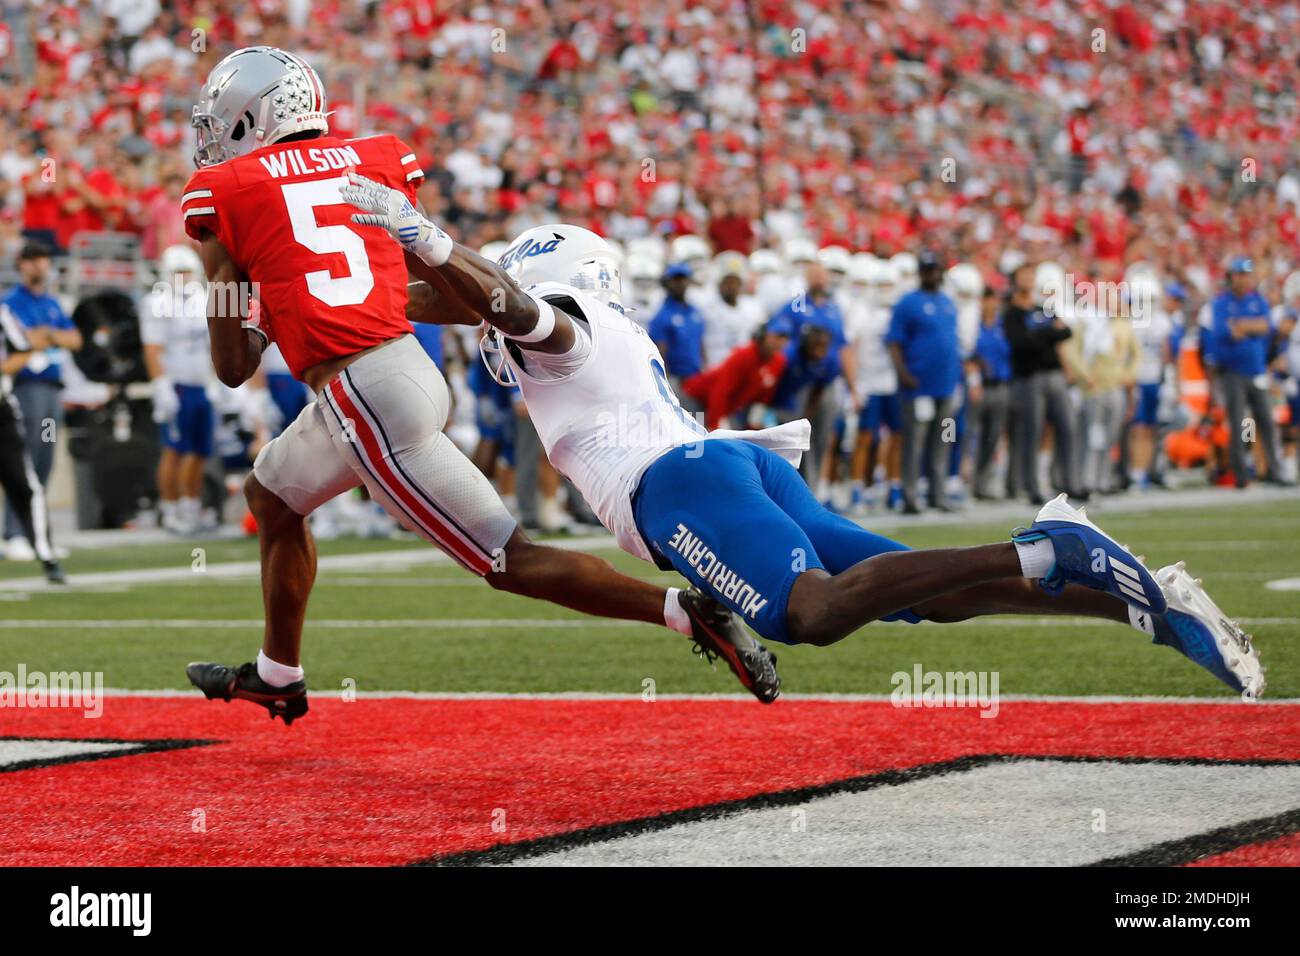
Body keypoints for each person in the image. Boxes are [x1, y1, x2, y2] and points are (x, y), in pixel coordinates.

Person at [348, 182, 1266, 701]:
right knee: (927, 602)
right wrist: (341, 278)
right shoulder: (599, 322)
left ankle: (1050, 548)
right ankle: (1138, 601)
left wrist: (423, 237)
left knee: (813, 614)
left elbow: (502, 304)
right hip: (726, 465)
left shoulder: (565, 324)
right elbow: (458, 299)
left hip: (680, 482)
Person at [178, 47, 779, 722]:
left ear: (252, 116)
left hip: (361, 397)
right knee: (272, 495)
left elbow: (234, 367)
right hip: (404, 373)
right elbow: (455, 292)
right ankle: (277, 673)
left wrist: (235, 292)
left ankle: (685, 613)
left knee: (508, 560)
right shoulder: (374, 157)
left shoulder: (224, 194)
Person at [1, 241, 81, 557]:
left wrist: (44, 335)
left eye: (43, 260)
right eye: (32, 260)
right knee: (24, 460)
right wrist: (48, 336)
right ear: (21, 265)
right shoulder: (11, 302)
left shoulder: (51, 303)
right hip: (25, 387)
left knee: (44, 459)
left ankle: (37, 533)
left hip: (51, 389)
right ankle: (14, 532)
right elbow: (23, 340)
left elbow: (74, 339)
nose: (39, 266)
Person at [141, 244, 215, 535]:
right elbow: (152, 348)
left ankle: (191, 507)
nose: (183, 277)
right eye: (178, 272)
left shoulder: (207, 298)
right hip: (177, 385)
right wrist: (161, 386)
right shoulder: (156, 301)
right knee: (175, 449)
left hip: (201, 384)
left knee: (199, 450)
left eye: (187, 271)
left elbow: (214, 344)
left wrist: (218, 383)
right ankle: (171, 509)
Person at [886, 250, 961, 514]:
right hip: (917, 384)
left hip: (946, 384)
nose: (933, 274)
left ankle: (937, 494)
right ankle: (909, 495)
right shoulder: (907, 302)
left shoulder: (948, 302)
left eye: (936, 269)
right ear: (920, 273)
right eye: (928, 270)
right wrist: (903, 373)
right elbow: (894, 342)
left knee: (942, 440)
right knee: (914, 441)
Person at [1004, 262, 1082, 503]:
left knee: (1067, 427)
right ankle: (1032, 486)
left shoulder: (1041, 309)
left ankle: (1071, 482)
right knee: (1032, 431)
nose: (1029, 279)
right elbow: (1020, 343)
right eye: (1024, 275)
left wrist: (1040, 334)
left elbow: (1066, 332)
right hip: (1030, 377)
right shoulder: (1012, 313)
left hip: (1054, 374)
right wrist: (1047, 333)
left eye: (1031, 275)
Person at [1208, 257, 1289, 487]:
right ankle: (1242, 473)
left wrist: (1242, 325)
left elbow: (1265, 326)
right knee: (1241, 424)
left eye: (1247, 274)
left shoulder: (1257, 301)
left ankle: (1273, 469)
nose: (1244, 279)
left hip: (1257, 370)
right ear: (1231, 277)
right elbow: (1227, 331)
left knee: (1265, 421)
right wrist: (1250, 326)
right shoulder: (1222, 302)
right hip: (1233, 372)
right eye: (1239, 274)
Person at [0, 294, 64, 582]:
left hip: (8, 409)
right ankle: (14, 537)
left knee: (27, 481)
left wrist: (4, 369)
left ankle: (45, 552)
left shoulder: (4, 313)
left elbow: (25, 348)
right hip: (31, 398)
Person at [969, 287, 1012, 500]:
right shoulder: (972, 325)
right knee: (961, 434)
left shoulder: (1002, 326)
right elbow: (967, 353)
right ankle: (960, 480)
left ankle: (983, 483)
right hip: (977, 386)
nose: (992, 304)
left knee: (992, 436)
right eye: (988, 299)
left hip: (1000, 385)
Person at [647, 261, 706, 401]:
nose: (680, 283)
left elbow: (700, 343)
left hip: (696, 377)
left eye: (683, 279)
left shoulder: (695, 312)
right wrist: (665, 384)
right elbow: (660, 351)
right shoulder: (662, 315)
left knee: (699, 418)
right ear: (667, 282)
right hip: (676, 379)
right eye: (675, 280)